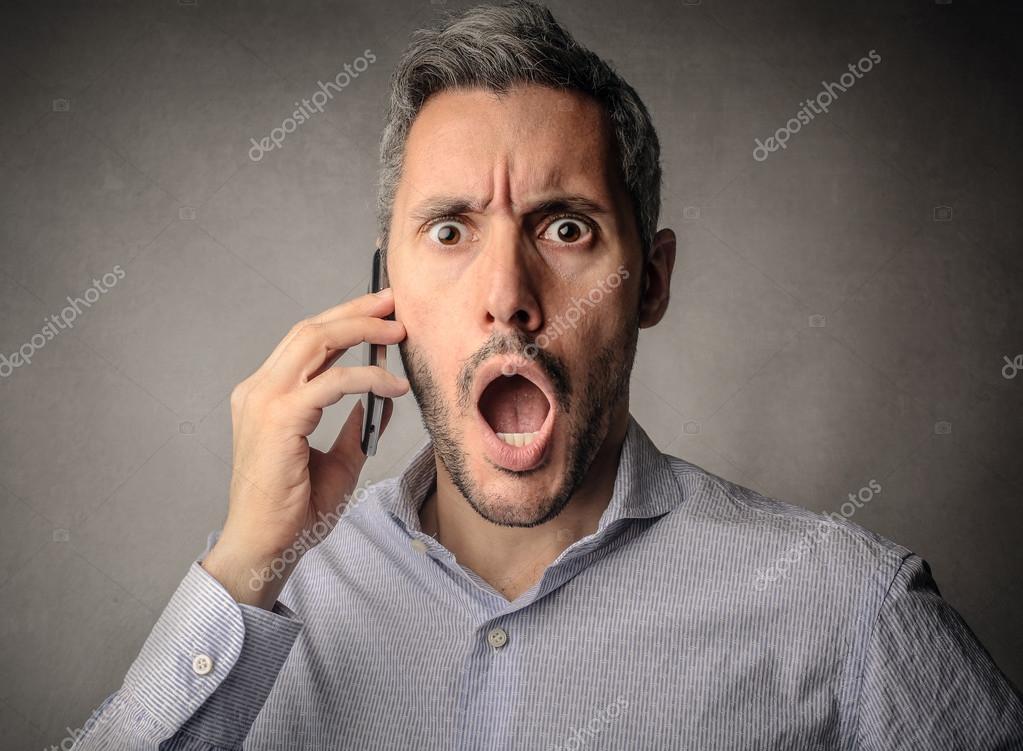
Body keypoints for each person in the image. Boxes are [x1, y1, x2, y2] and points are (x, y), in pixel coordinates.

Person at [72, 2, 1023, 748]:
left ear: (650, 281)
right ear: (384, 288)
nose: (507, 297)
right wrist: (244, 567)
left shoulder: (849, 613)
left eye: (565, 228)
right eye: (450, 230)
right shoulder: (264, 597)